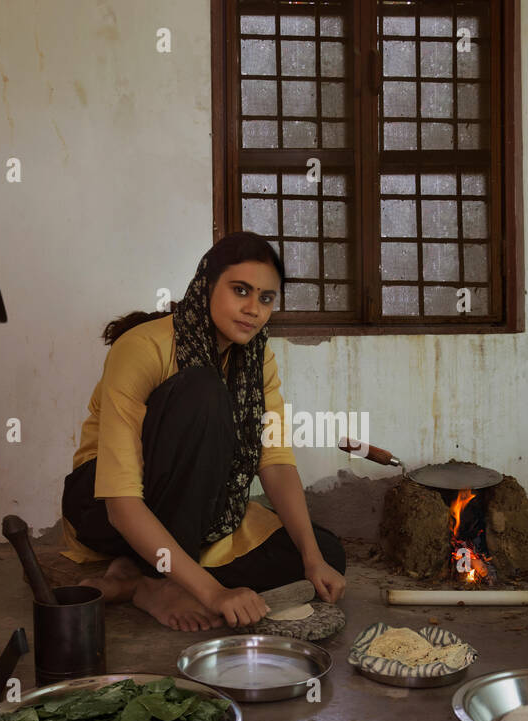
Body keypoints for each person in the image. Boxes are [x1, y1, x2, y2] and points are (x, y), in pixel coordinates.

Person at [59, 231, 347, 632]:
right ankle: (158, 585)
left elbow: (275, 461)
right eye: (240, 291)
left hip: (198, 504)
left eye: (266, 298)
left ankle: (135, 577)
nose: (253, 309)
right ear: (206, 285)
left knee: (324, 555)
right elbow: (120, 503)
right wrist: (212, 593)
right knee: (204, 391)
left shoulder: (256, 357)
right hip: (104, 503)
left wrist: (313, 557)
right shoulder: (142, 347)